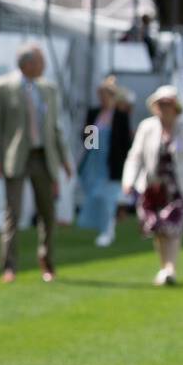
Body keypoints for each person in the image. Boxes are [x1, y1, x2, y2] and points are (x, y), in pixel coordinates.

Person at [0, 42, 73, 282]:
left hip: (44, 157)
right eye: (40, 61)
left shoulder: (49, 89)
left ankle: (47, 262)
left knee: (48, 213)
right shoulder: (2, 87)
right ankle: (9, 266)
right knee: (13, 213)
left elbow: (55, 128)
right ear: (28, 64)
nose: (44, 66)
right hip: (17, 158)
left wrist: (65, 160)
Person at [121, 84, 183, 285]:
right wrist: (129, 180)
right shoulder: (147, 127)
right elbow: (135, 156)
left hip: (179, 186)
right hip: (153, 187)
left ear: (176, 106)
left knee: (174, 227)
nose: (164, 108)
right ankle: (165, 268)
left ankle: (170, 267)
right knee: (158, 228)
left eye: (168, 104)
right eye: (160, 104)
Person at [77, 74, 133, 246]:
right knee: (96, 196)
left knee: (109, 198)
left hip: (113, 164)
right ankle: (102, 226)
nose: (102, 99)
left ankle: (107, 230)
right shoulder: (94, 113)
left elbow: (125, 143)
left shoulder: (120, 116)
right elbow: (88, 141)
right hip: (94, 162)